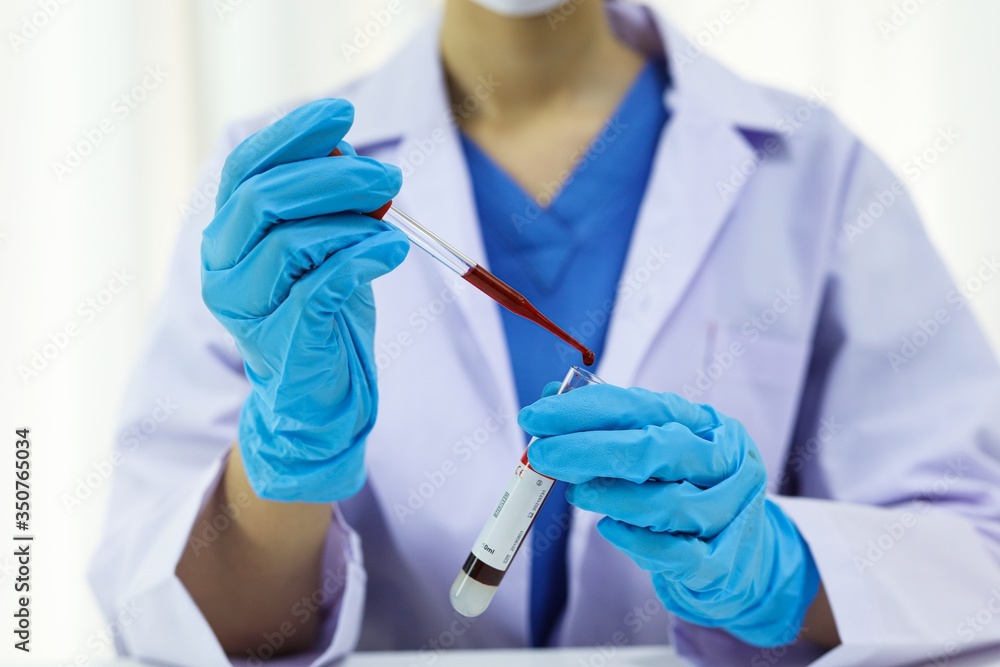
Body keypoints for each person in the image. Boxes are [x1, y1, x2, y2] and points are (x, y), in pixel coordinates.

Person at [89, 0, 1000, 665]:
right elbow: (177, 619)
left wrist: (776, 568)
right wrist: (288, 450)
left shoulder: (814, 168)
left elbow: (976, 557)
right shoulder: (283, 189)